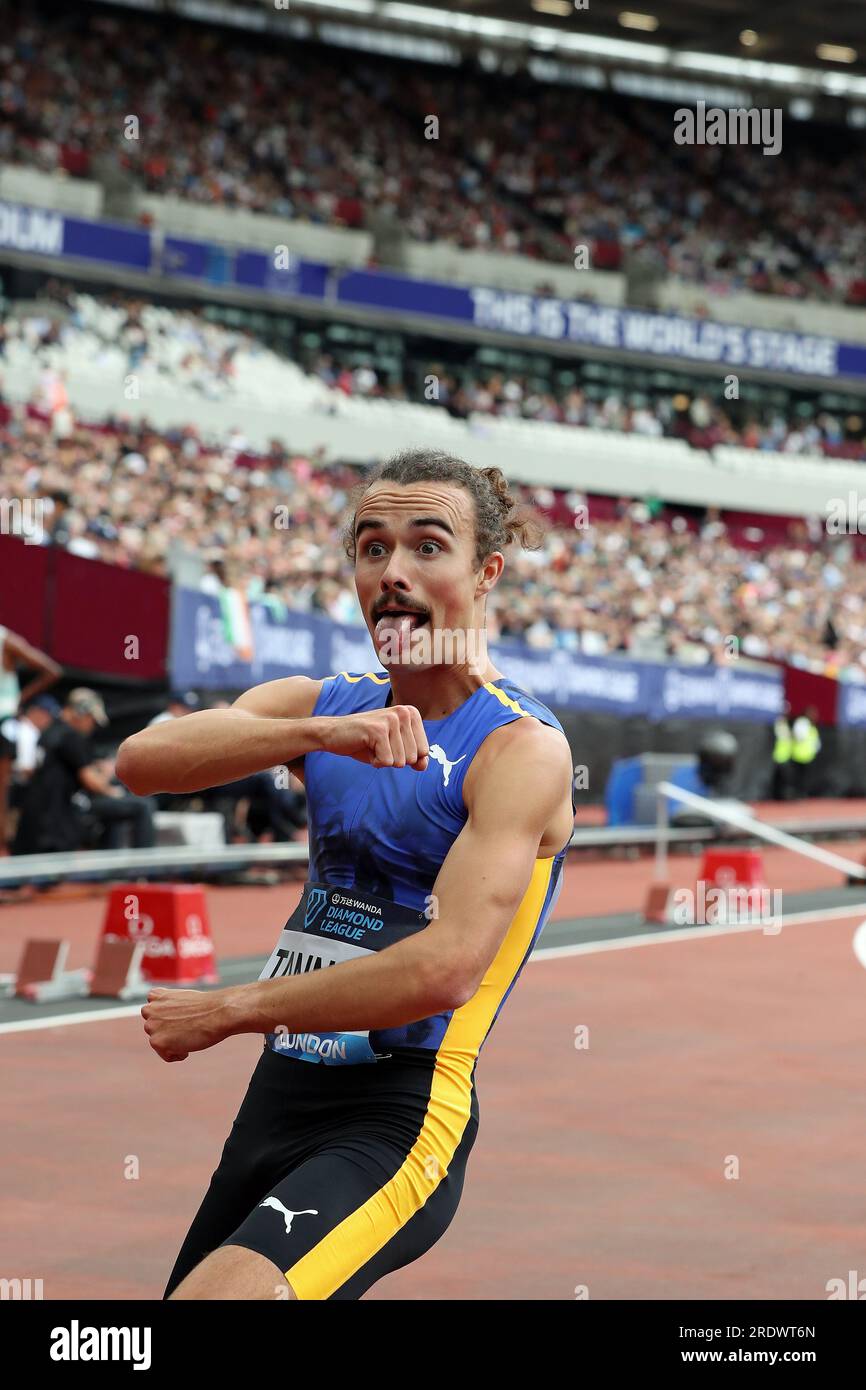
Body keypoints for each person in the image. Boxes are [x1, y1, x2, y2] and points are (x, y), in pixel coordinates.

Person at [118, 447, 576, 1302]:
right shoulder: (329, 705)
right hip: (283, 1089)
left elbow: (446, 969)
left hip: (398, 1113)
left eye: (427, 547)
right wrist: (320, 736)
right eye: (372, 549)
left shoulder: (520, 749)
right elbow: (144, 761)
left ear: (487, 573)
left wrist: (229, 1009)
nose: (393, 573)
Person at [12, 688, 153, 855]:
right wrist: (111, 785)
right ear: (80, 713)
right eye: (91, 719)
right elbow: (92, 782)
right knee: (143, 805)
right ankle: (145, 867)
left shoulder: (50, 731)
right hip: (64, 811)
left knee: (115, 810)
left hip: (42, 814)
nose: (92, 726)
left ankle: (109, 866)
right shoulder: (71, 737)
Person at [0, 624, 62, 853]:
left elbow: (51, 670)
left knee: (2, 791)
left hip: (3, 723)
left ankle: (2, 851)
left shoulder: (6, 640)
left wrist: (19, 697)